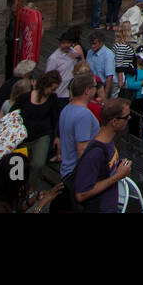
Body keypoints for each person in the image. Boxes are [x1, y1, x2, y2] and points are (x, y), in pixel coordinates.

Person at [74, 98, 133, 213]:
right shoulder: (95, 153)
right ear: (114, 122)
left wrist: (120, 166)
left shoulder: (109, 142)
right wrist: (118, 176)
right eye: (126, 117)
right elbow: (81, 194)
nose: (129, 118)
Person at [56, 74, 101, 207]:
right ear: (87, 90)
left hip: (67, 170)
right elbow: (82, 150)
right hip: (77, 175)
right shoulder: (83, 115)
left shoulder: (67, 108)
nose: (96, 89)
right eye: (94, 86)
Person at [14, 71, 60, 185]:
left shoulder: (52, 99)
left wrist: (56, 136)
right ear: (45, 85)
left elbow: (55, 118)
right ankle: (18, 189)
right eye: (52, 88)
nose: (52, 92)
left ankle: (31, 188)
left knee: (38, 164)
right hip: (23, 137)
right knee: (19, 167)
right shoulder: (24, 98)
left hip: (42, 136)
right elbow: (13, 114)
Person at [46, 31, 83, 98]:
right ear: (60, 44)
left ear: (71, 43)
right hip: (59, 94)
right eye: (63, 43)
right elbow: (48, 77)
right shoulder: (54, 58)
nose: (66, 45)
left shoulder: (73, 52)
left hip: (71, 93)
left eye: (68, 43)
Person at [86, 32, 116, 99]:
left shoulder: (108, 55)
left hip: (104, 86)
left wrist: (105, 96)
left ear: (101, 43)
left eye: (94, 44)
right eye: (91, 44)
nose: (92, 46)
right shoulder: (89, 52)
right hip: (92, 85)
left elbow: (109, 77)